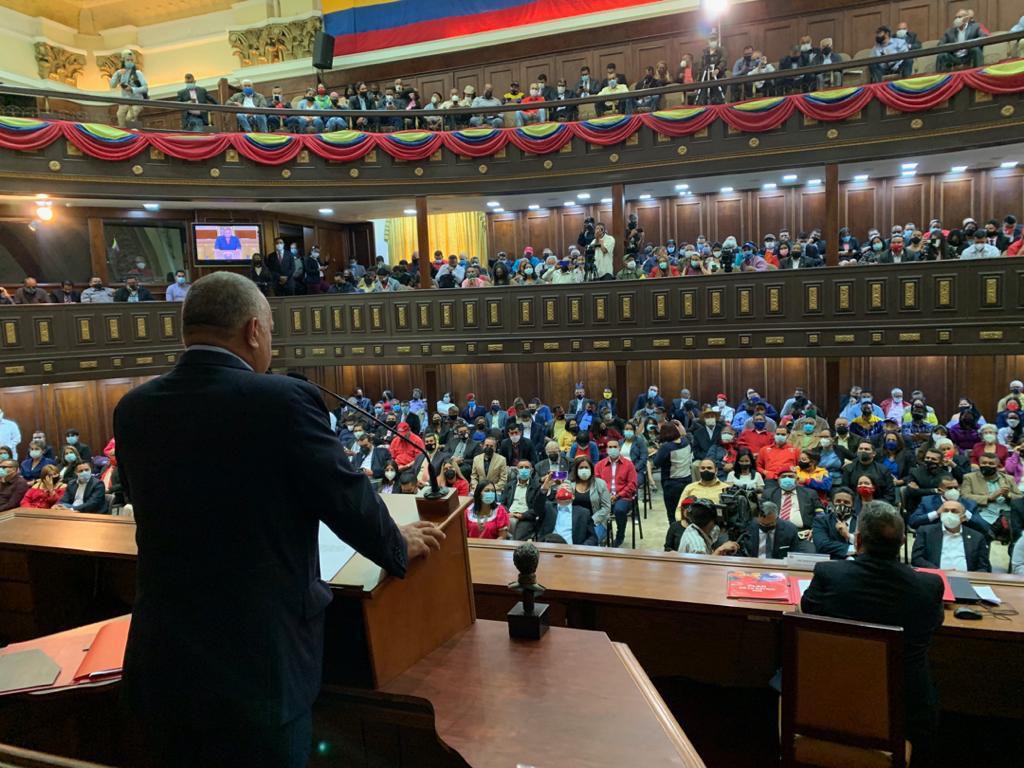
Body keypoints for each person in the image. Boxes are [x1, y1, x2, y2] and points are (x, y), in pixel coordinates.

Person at [111, 272, 444, 768]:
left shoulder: (133, 409)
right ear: (253, 330)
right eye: (270, 329)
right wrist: (395, 544)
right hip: (258, 668)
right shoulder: (282, 400)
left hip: (164, 665)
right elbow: (344, 495)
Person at [801, 501, 944, 747]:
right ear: (902, 542)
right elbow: (935, 622)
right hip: (903, 708)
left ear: (857, 541)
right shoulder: (929, 586)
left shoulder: (829, 574)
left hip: (827, 699)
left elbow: (808, 610)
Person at [912, 500, 991, 572]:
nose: (949, 514)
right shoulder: (926, 532)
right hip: (935, 578)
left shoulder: (977, 537)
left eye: (954, 511)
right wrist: (939, 571)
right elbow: (917, 559)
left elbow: (983, 566)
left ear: (963, 518)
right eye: (945, 511)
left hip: (967, 579)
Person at [595, 440, 637, 548]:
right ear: (606, 449)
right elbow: (596, 483)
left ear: (619, 448)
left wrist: (618, 496)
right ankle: (601, 535)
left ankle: (620, 535)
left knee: (620, 510)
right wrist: (605, 496)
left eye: (615, 446)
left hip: (622, 497)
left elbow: (632, 484)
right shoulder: (600, 465)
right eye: (610, 447)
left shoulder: (628, 464)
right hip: (604, 497)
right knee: (592, 507)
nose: (612, 449)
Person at [531, 481, 598, 546]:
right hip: (548, 547)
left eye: (567, 488)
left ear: (573, 496)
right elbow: (537, 506)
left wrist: (581, 548)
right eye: (561, 488)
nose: (564, 490)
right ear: (556, 495)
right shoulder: (548, 507)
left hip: (572, 549)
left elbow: (593, 538)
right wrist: (544, 490)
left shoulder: (584, 513)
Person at [569, 456, 611, 542]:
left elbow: (606, 507)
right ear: (576, 470)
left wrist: (591, 520)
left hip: (596, 522)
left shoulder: (600, 484)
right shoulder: (570, 485)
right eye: (581, 468)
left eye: (586, 467)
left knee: (590, 542)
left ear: (591, 469)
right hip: (574, 521)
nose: (584, 470)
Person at [811, 487, 858, 559]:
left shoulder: (861, 522)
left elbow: (868, 546)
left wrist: (849, 536)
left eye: (846, 502)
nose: (842, 505)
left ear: (853, 506)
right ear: (832, 503)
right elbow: (822, 545)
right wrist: (854, 549)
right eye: (838, 501)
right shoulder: (821, 521)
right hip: (831, 562)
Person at [109, 49, 147, 126]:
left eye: (131, 60)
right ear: (123, 60)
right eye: (128, 60)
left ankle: (131, 130)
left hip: (137, 101)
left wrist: (132, 89)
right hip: (125, 100)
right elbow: (112, 85)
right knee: (120, 115)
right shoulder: (120, 73)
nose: (130, 62)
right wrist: (118, 74)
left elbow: (145, 88)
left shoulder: (138, 73)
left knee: (129, 117)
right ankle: (124, 132)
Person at [503, 461, 540, 540]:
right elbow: (502, 504)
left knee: (517, 539)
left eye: (527, 468)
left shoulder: (536, 487)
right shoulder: (509, 485)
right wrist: (508, 513)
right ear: (517, 470)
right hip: (508, 515)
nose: (523, 470)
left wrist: (523, 515)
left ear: (531, 470)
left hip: (525, 518)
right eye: (521, 467)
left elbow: (537, 508)